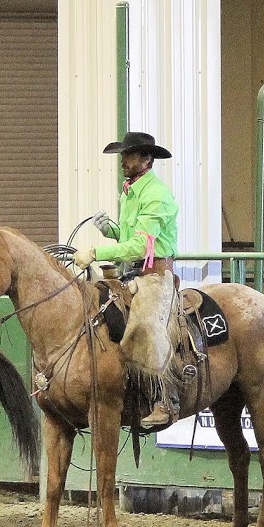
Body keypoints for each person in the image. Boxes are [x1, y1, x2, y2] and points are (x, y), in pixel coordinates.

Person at [75, 131, 181, 427]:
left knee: (146, 323)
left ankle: (166, 398)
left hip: (156, 275)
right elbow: (128, 238)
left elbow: (140, 246)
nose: (123, 160)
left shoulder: (157, 195)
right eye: (124, 155)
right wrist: (109, 229)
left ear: (146, 159)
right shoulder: (130, 192)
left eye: (129, 155)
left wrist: (96, 251)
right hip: (132, 273)